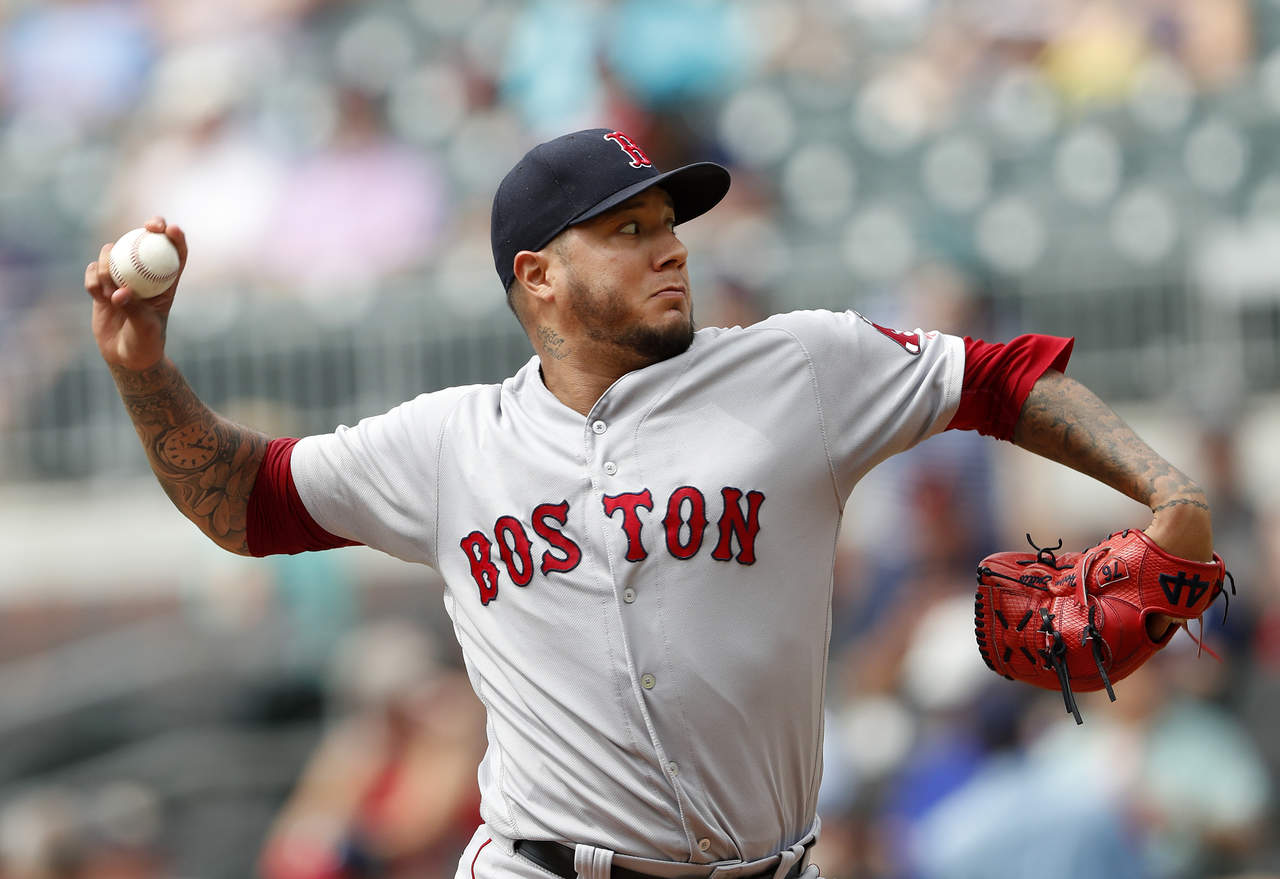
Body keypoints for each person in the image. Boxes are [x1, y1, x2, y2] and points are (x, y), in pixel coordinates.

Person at [85, 128, 1216, 879]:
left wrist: (1164, 490)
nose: (666, 250)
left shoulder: (799, 368)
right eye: (623, 232)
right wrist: (142, 368)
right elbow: (242, 500)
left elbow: (997, 376)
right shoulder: (445, 444)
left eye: (667, 225)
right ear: (536, 276)